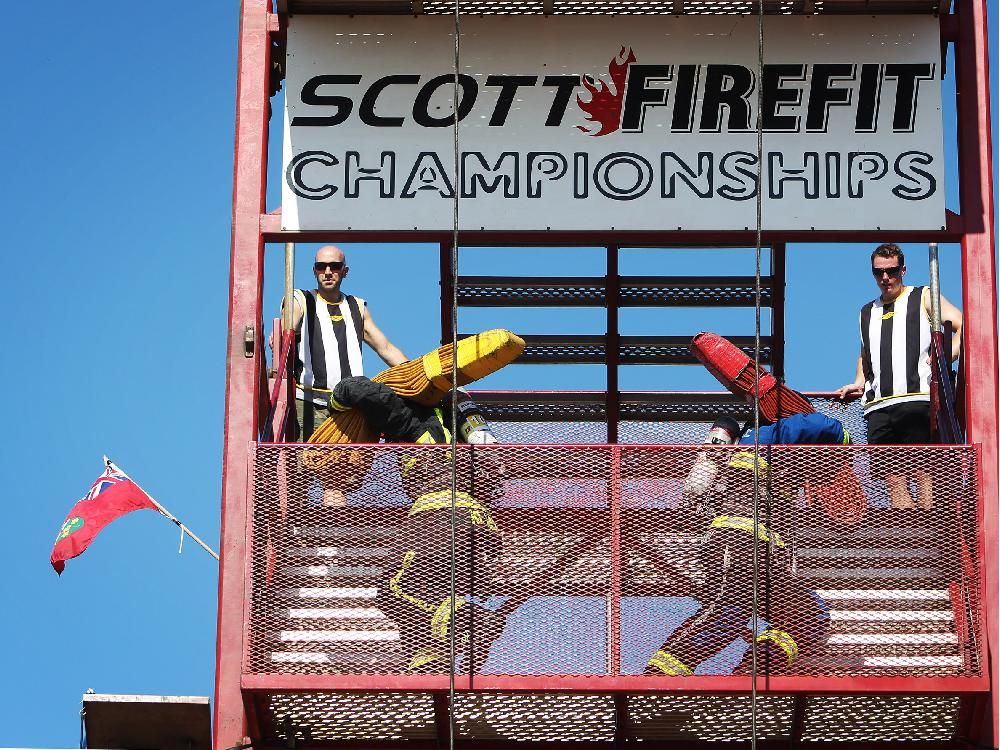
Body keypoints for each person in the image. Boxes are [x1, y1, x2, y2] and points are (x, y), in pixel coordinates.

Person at [645, 413, 853, 677]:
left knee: (810, 614)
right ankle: (660, 677)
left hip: (764, 556)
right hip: (739, 544)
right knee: (729, 613)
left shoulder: (785, 456)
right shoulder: (773, 437)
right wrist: (845, 441)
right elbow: (821, 425)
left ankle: (748, 676)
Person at [328, 376, 507, 672]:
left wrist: (338, 404)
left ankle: (474, 620)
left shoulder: (413, 418)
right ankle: (428, 663)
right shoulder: (461, 423)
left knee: (391, 590)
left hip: (438, 516)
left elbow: (359, 388)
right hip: (477, 525)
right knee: (432, 593)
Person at [835, 243, 962, 509]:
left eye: (891, 271)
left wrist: (944, 356)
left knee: (922, 472)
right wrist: (858, 382)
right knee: (892, 477)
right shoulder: (866, 312)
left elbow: (960, 324)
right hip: (879, 405)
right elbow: (866, 353)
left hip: (918, 398)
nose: (885, 278)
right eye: (879, 272)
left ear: (902, 270)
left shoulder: (923, 295)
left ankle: (929, 527)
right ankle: (907, 533)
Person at [279, 246, 408, 441]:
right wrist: (282, 333)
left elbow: (386, 349)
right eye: (321, 266)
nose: (328, 272)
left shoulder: (356, 307)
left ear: (345, 271)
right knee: (306, 466)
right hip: (309, 404)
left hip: (348, 408)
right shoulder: (301, 299)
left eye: (335, 266)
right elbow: (287, 326)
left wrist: (418, 374)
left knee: (348, 469)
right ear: (314, 270)